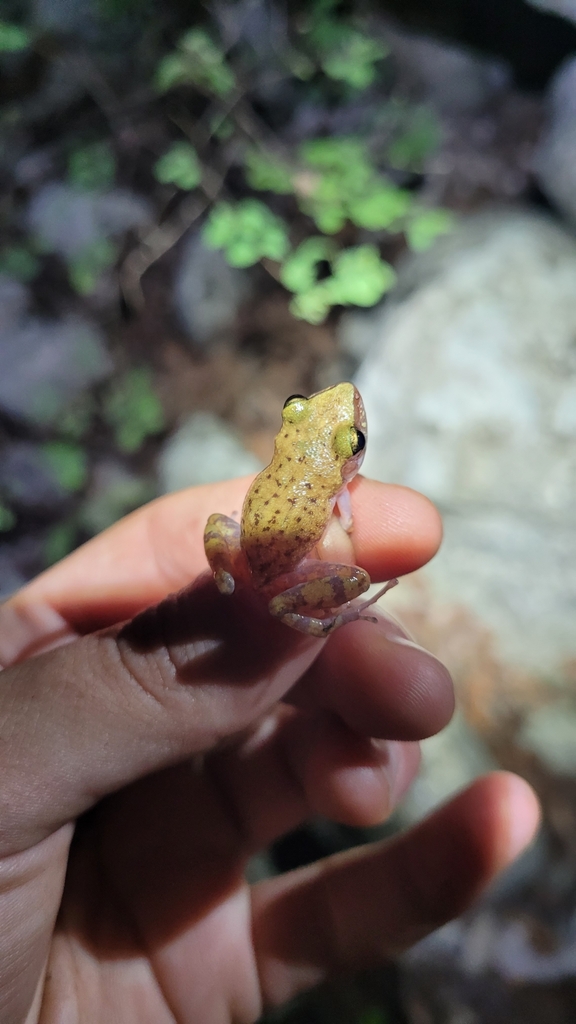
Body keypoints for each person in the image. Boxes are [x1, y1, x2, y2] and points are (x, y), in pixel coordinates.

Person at [0, 476, 539, 1023]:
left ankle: (256, 593)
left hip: (248, 547)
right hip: (277, 582)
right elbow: (341, 525)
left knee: (228, 530)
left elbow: (247, 522)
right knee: (353, 582)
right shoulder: (339, 497)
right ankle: (317, 615)